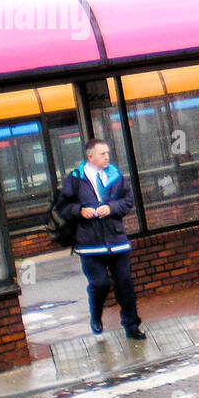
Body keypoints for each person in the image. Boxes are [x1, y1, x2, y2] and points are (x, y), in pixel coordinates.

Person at [58, 139, 146, 340]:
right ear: (90, 157)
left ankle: (132, 326)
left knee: (125, 283)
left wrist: (112, 208)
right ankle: (96, 315)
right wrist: (80, 211)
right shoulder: (75, 178)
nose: (107, 157)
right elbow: (62, 207)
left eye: (107, 153)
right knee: (100, 283)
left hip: (116, 240)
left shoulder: (115, 176)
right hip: (90, 244)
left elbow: (128, 201)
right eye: (102, 154)